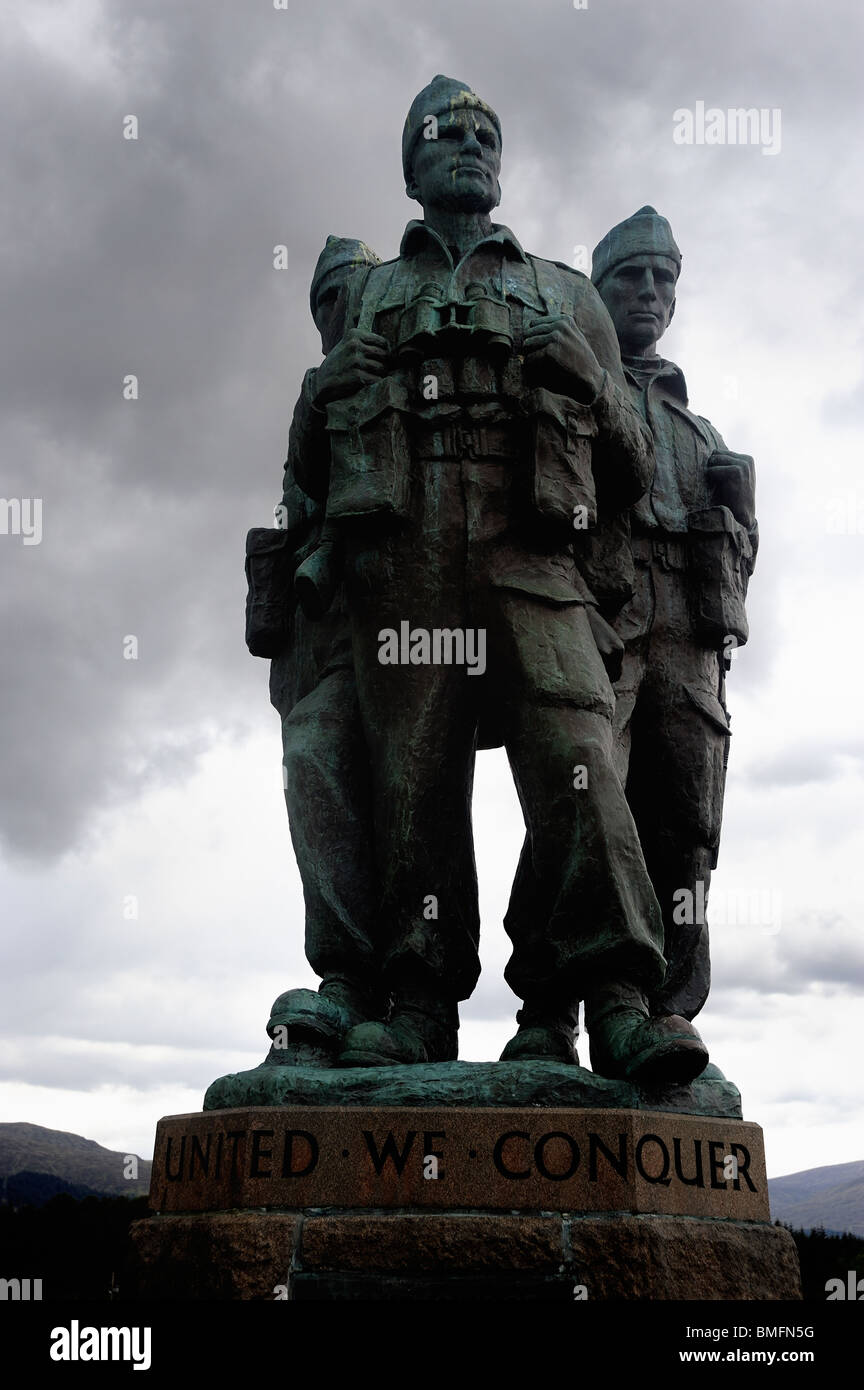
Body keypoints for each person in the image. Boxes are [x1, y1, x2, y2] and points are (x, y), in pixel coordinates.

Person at [298, 77, 708, 1084]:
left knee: (578, 757)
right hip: (407, 557)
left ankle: (615, 998)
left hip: (533, 556)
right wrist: (318, 400)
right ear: (413, 163)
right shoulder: (372, 294)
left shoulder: (567, 291)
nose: (467, 144)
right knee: (414, 781)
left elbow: (636, 468)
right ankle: (417, 1000)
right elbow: (311, 462)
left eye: (484, 132)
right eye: (445, 133)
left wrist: (596, 380)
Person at [591, 206, 758, 1020]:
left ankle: (671, 1012)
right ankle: (584, 1002)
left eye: (664, 277)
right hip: (605, 618)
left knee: (690, 828)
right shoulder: (578, 392)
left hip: (690, 638)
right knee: (592, 804)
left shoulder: (702, 432)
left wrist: (742, 514)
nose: (651, 291)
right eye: (632, 274)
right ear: (599, 289)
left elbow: (740, 569)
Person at [246, 236, 387, 1063]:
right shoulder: (318, 401)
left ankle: (551, 1005)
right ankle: (346, 977)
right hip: (333, 644)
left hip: (436, 631)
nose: (345, 310)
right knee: (315, 759)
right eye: (329, 300)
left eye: (356, 293)